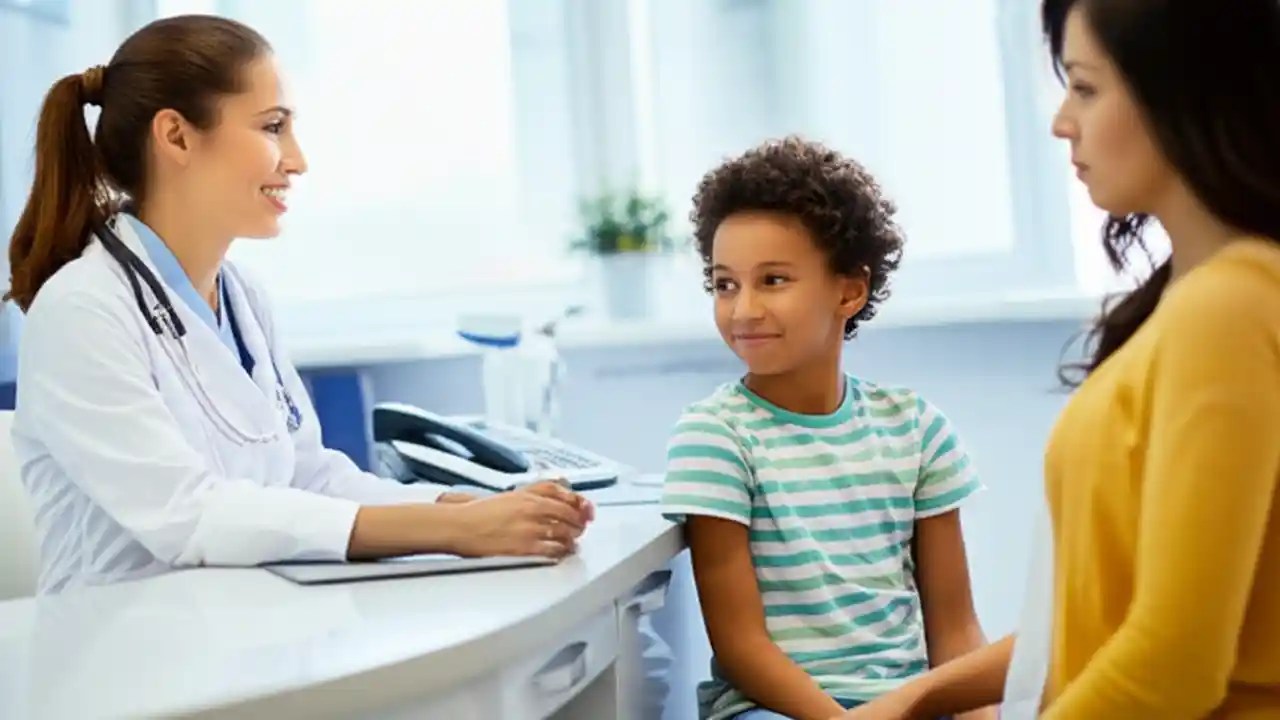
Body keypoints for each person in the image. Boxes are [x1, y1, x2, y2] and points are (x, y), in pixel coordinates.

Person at [6, 14, 592, 596]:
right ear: (177, 136)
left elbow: (308, 478)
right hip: (120, 657)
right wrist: (453, 529)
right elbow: (188, 517)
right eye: (272, 127)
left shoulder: (242, 298)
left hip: (238, 627)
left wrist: (470, 505)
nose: (297, 159)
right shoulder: (82, 310)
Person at [839, 0, 1280, 717]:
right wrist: (915, 697)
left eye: (1085, 86)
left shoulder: (1230, 308)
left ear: (1179, 90)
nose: (1060, 120)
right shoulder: (1189, 305)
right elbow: (1092, 625)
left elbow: (1171, 665)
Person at [659, 136, 991, 720]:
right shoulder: (715, 437)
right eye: (724, 284)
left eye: (774, 280)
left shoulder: (916, 430)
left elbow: (956, 627)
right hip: (771, 710)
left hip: (903, 707)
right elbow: (739, 646)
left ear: (850, 289)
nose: (743, 311)